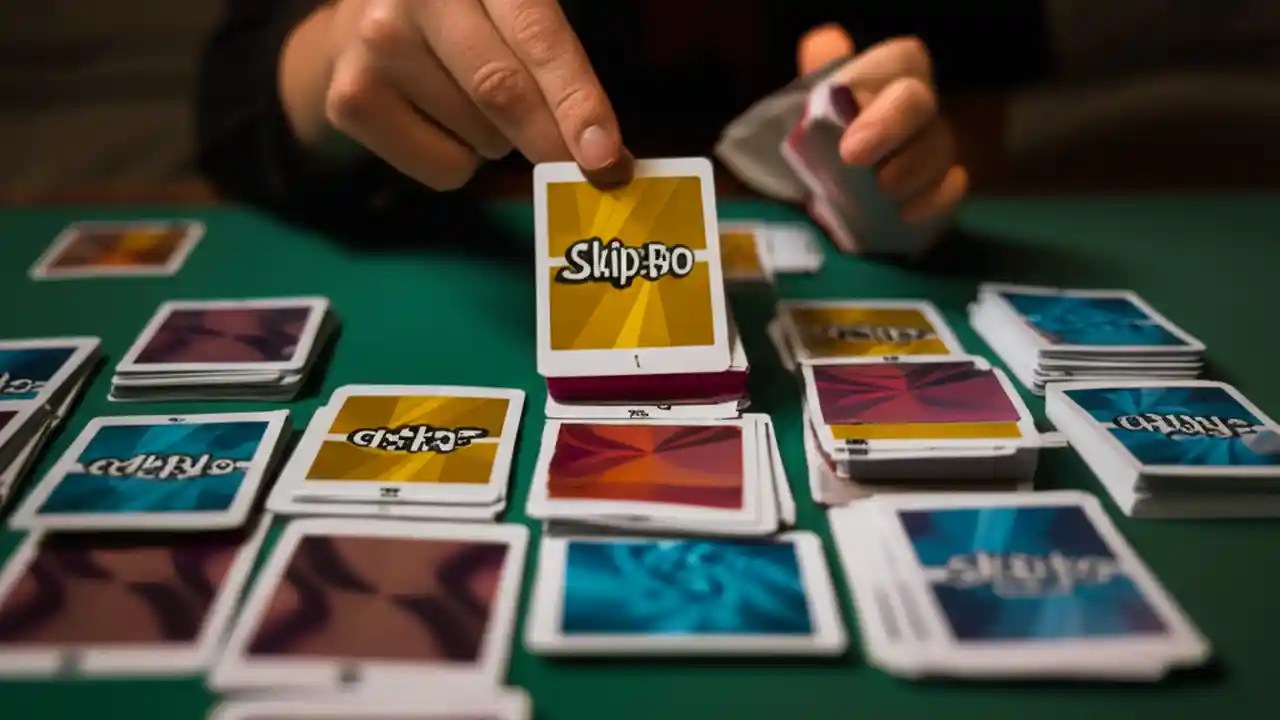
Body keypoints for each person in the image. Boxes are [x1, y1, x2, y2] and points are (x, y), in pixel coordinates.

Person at [199, 1, 966, 238]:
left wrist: (896, 168)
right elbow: (226, 106)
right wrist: (342, 42)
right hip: (449, 223)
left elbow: (964, 146)